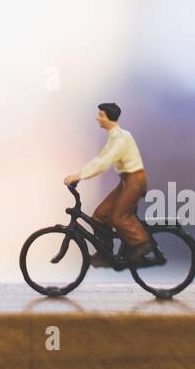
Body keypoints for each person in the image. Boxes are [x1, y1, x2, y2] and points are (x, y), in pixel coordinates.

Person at [63, 103, 153, 265]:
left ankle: (142, 244)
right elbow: (100, 158)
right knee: (99, 216)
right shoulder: (113, 136)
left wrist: (80, 175)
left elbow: (104, 161)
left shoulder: (120, 138)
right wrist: (81, 174)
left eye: (101, 115)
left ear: (110, 118)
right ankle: (105, 253)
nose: (98, 118)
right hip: (126, 180)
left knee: (119, 217)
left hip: (135, 180)